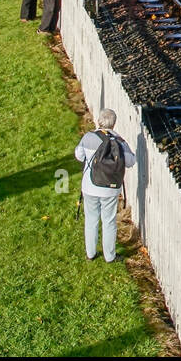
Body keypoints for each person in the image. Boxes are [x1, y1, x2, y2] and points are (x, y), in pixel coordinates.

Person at [75, 109, 137, 263]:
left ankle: (91, 254)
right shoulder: (120, 141)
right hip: (110, 188)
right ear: (114, 123)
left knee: (91, 219)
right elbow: (131, 161)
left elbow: (79, 155)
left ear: (99, 121)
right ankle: (110, 256)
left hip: (90, 186)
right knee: (109, 221)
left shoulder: (88, 138)